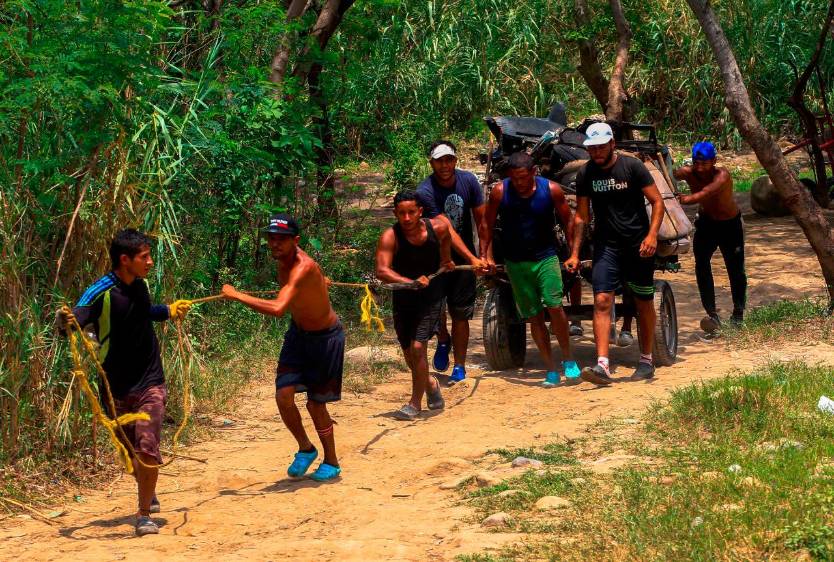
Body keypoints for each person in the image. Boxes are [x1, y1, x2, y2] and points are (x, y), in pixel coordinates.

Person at [60, 229, 191, 536]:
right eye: (144, 257)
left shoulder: (140, 286)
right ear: (125, 260)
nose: (149, 262)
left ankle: (143, 514)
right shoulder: (100, 292)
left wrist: (169, 311)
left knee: (147, 446)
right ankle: (148, 488)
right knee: (131, 454)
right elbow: (74, 319)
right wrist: (66, 322)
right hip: (116, 388)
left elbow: (145, 313)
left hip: (151, 382)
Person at [221, 214, 345, 482]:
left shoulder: (302, 266)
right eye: (271, 239)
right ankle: (305, 448)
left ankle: (332, 461)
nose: (275, 245)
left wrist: (237, 295)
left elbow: (278, 308)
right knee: (283, 396)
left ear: (296, 241)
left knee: (315, 404)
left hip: (325, 339)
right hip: (298, 335)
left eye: (281, 240)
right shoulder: (284, 262)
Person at [565, 122, 665, 385]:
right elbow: (581, 217)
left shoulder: (632, 167)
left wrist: (652, 235)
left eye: (601, 146)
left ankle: (646, 360)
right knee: (601, 300)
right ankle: (602, 365)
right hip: (606, 246)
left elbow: (657, 201)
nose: (596, 152)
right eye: (592, 148)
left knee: (643, 302)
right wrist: (575, 253)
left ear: (611, 144)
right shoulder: (586, 174)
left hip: (638, 245)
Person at [480, 152, 581, 386]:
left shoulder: (552, 190)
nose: (519, 183)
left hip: (546, 258)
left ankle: (568, 361)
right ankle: (551, 369)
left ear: (534, 172)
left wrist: (574, 254)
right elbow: (487, 223)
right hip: (516, 263)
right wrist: (486, 255)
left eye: (523, 178)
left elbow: (568, 221)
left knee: (555, 306)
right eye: (514, 179)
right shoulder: (500, 192)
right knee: (534, 317)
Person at [375, 190, 454, 420]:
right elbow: (382, 270)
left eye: (411, 212)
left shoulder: (437, 228)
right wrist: (410, 282)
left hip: (432, 295)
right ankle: (430, 383)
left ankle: (414, 404)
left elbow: (446, 238)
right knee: (410, 354)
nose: (407, 218)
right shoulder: (390, 236)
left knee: (419, 348)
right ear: (395, 214)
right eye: (402, 213)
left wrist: (446, 259)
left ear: (420, 211)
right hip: (404, 297)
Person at [416, 140, 487, 384]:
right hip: (434, 257)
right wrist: (472, 257)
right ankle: (443, 339)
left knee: (460, 312)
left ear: (455, 161)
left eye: (449, 160)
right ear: (432, 163)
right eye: (439, 161)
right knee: (436, 311)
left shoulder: (468, 181)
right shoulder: (425, 191)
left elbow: (482, 220)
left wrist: (485, 255)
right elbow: (444, 228)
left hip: (463, 259)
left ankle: (460, 365)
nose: (444, 165)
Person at [675, 141, 747, 333]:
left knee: (735, 269)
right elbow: (669, 173)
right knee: (701, 265)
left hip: (730, 225)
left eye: (704, 163)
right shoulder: (688, 172)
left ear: (714, 161)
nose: (700, 167)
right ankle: (711, 314)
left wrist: (683, 199)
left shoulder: (722, 175)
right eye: (696, 162)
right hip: (706, 224)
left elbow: (705, 193)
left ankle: (738, 313)